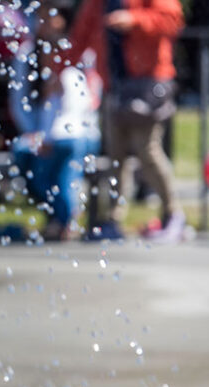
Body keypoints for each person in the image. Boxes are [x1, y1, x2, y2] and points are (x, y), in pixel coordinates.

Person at [63, 0, 185, 243]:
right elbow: (82, 33)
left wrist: (135, 20)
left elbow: (172, 21)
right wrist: (62, 67)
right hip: (114, 84)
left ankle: (173, 214)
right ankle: (114, 219)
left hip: (147, 82)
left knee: (146, 150)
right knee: (116, 155)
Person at [9, 2, 102, 241]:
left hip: (71, 136)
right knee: (38, 170)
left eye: (50, 17)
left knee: (63, 172)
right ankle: (58, 218)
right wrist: (37, 134)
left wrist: (48, 137)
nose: (45, 23)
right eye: (40, 18)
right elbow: (24, 105)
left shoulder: (74, 66)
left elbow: (77, 109)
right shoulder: (29, 55)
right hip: (49, 135)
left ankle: (66, 219)